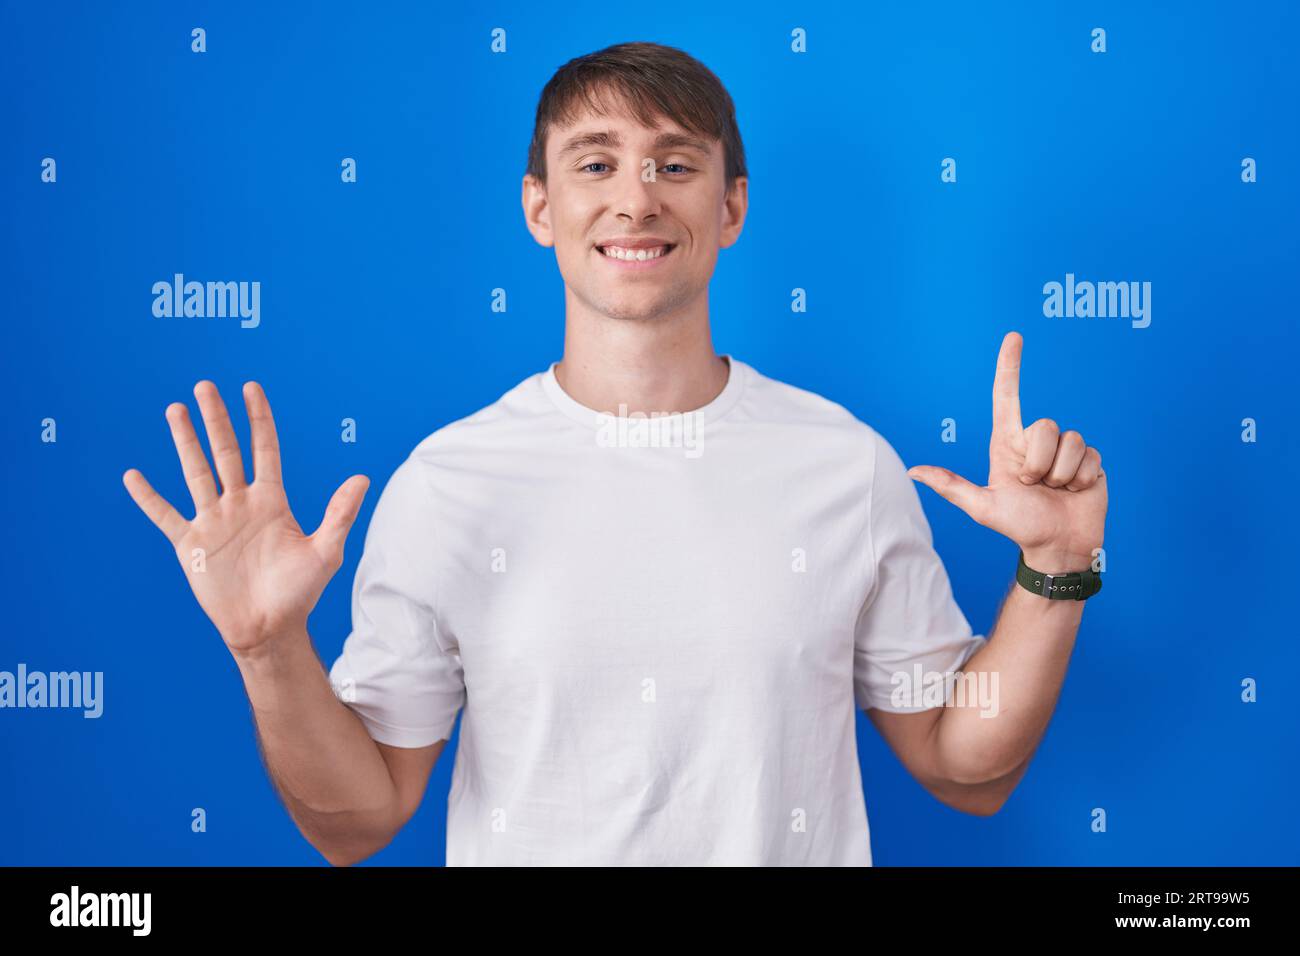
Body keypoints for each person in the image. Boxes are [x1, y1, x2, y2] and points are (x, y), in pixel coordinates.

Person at [123, 41, 1107, 866]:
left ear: (729, 207)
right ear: (540, 207)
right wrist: (267, 650)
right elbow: (356, 819)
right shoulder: (446, 484)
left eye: (674, 164)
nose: (635, 200)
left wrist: (1053, 570)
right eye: (595, 163)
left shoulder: (844, 465)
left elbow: (962, 765)